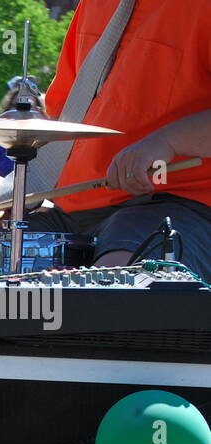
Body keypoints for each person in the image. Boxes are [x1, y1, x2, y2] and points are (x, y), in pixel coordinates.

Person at [20, 0, 211, 281]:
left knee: (115, 284)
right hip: (69, 209)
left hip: (178, 202)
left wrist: (167, 142)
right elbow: (67, 111)